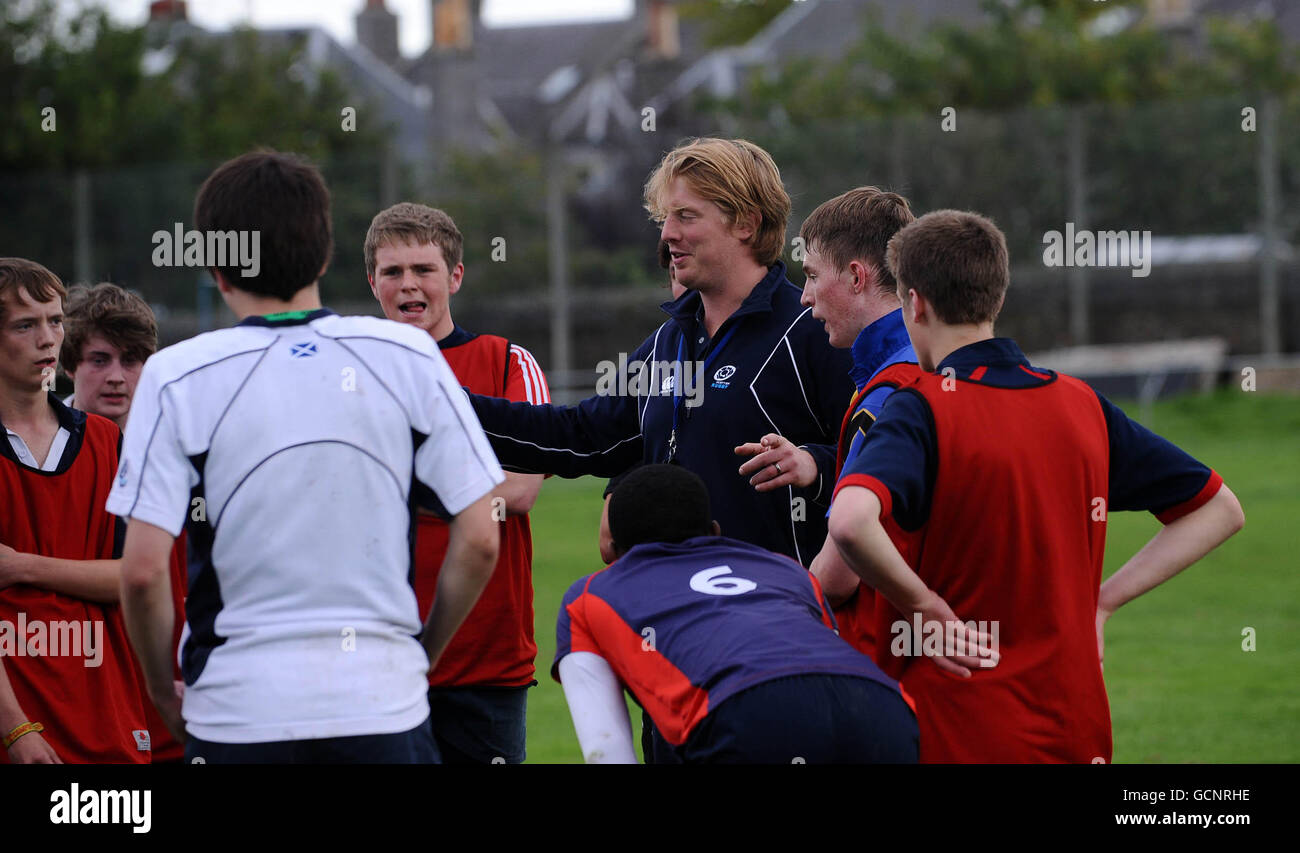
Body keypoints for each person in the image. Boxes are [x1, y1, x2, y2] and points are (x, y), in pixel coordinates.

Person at [108, 151, 503, 763]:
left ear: (217, 267)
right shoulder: (407, 355)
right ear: (325, 254)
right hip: (382, 708)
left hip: (236, 714)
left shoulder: (176, 375)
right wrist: (417, 659)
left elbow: (140, 572)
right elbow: (480, 538)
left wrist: (164, 693)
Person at [828, 210, 1246, 763]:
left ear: (915, 304)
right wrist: (1103, 603)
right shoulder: (1081, 405)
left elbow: (851, 520)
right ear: (995, 298)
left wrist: (923, 604)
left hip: (958, 727)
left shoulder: (921, 408)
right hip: (1075, 728)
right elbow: (1219, 508)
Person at [470, 138, 853, 568]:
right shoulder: (667, 343)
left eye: (686, 216)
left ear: (746, 223)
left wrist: (814, 464)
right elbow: (579, 436)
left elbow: (879, 462)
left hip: (776, 617)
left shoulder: (809, 329)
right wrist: (446, 407)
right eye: (665, 218)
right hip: (677, 614)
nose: (668, 234)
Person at [556, 464, 920, 764]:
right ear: (714, 532)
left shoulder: (587, 597)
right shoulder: (788, 570)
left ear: (616, 550)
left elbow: (606, 752)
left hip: (746, 713)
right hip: (883, 706)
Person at [364, 202, 548, 764]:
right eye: (393, 272)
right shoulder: (350, 373)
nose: (408, 285)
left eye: (424, 270)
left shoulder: (506, 363)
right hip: (377, 655)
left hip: (484, 660)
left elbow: (519, 491)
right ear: (372, 282)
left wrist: (392, 492)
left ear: (456, 277)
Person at [741, 186, 919, 660]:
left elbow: (840, 571)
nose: (804, 297)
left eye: (814, 275)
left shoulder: (889, 393)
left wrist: (764, 619)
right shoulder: (947, 366)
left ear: (857, 277)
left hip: (906, 666)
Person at [0, 258, 152, 764]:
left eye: (56, 320)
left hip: (106, 720)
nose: (48, 339)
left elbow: (131, 576)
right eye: (26, 325)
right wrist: (16, 730)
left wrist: (22, 566)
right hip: (20, 731)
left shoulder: (106, 442)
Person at [55, 282, 190, 763]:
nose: (116, 376)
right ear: (68, 364)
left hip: (164, 698)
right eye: (99, 359)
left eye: (131, 360)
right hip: (60, 692)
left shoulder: (183, 452)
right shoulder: (31, 454)